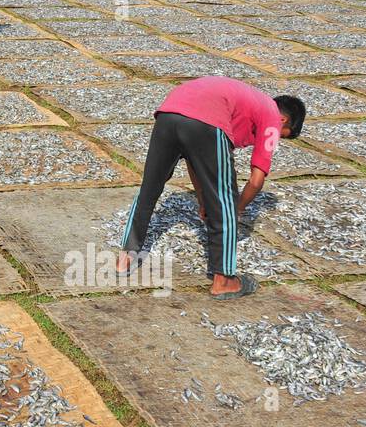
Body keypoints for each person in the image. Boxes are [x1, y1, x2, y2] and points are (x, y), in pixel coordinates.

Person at [115, 76, 306, 299]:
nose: (277, 140)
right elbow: (256, 180)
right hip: (204, 122)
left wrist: (203, 199)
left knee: (149, 190)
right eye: (283, 137)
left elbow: (194, 159)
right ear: (283, 121)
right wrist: (236, 208)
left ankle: (125, 259)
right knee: (226, 200)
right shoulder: (273, 116)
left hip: (168, 113)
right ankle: (224, 280)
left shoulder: (247, 103)